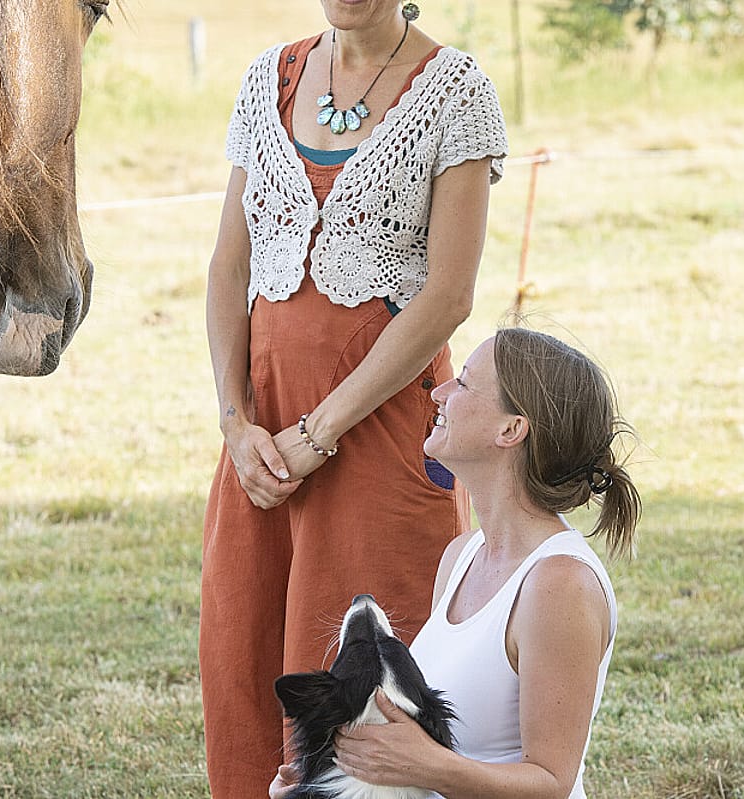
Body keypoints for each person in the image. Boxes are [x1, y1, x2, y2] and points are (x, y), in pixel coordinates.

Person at [200, 0, 509, 795]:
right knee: (244, 657)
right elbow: (228, 269)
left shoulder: (455, 89)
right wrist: (238, 424)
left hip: (382, 436)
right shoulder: (266, 78)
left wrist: (320, 431)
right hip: (261, 440)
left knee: (377, 697)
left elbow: (447, 295)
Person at [271, 327, 641, 798]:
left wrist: (426, 764)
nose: (441, 391)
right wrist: (331, 782)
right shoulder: (461, 556)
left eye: (463, 382)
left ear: (510, 429)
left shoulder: (559, 583)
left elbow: (551, 783)